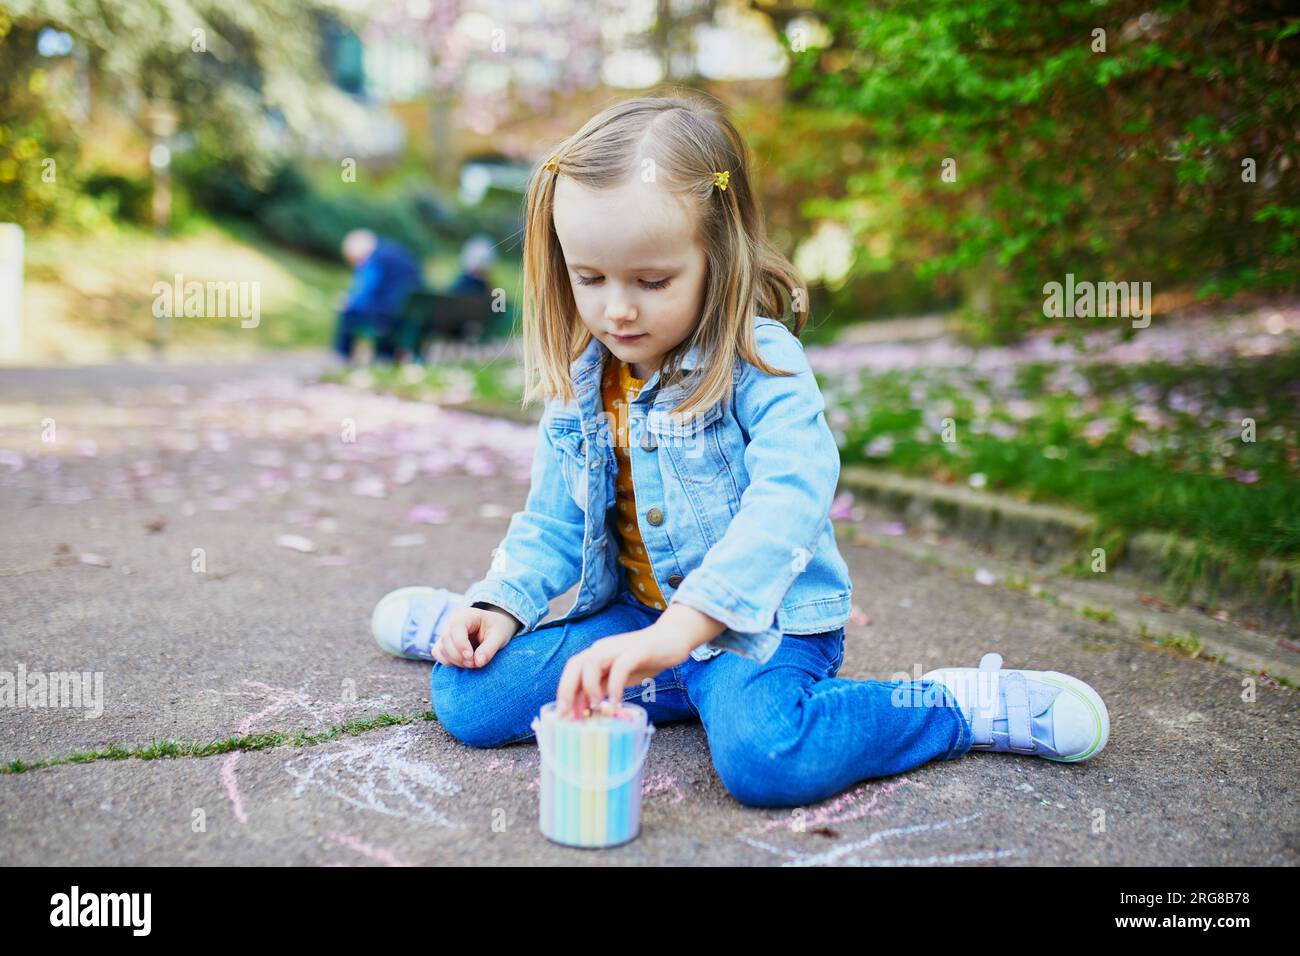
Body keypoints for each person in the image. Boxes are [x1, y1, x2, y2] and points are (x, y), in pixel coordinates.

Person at [367, 94, 1110, 808]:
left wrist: (681, 633)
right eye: (589, 277)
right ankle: (485, 625)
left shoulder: (762, 363)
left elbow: (789, 500)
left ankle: (948, 706)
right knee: (466, 699)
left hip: (762, 629)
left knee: (765, 758)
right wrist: (502, 603)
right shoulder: (587, 376)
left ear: (718, 258)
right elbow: (552, 523)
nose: (617, 308)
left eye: (652, 280)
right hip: (644, 622)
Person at [333, 229, 424, 363]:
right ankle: (386, 357)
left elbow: (365, 292)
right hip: (408, 316)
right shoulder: (399, 255)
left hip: (384, 317)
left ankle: (342, 356)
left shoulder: (375, 260)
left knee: (347, 311)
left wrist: (349, 302)